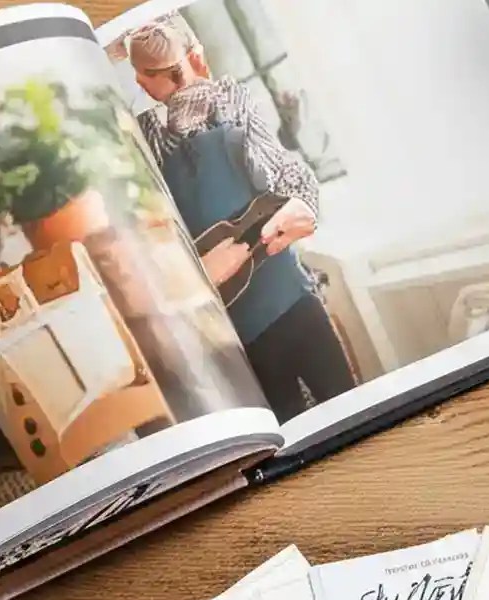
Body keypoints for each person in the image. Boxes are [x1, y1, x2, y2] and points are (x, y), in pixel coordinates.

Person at [125, 16, 356, 422]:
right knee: (290, 430)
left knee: (350, 409)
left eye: (147, 74)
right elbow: (156, 240)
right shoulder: (149, 141)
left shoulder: (230, 99)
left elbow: (286, 175)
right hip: (240, 331)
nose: (143, 84)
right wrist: (201, 273)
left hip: (292, 297)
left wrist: (303, 204)